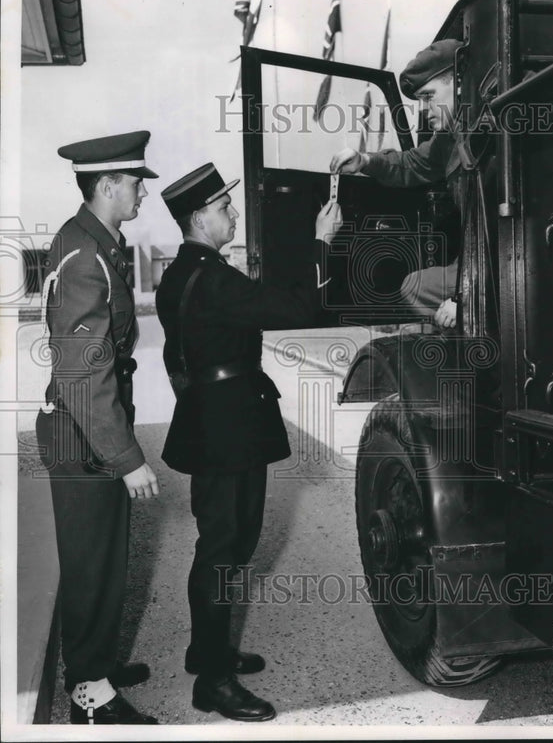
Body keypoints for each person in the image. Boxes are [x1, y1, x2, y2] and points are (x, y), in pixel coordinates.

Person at [156, 162, 341, 722]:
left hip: (215, 421)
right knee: (226, 548)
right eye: (224, 209)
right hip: (229, 429)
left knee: (222, 544)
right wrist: (319, 245)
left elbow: (177, 357)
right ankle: (212, 682)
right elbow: (294, 309)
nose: (233, 214)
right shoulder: (213, 278)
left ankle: (204, 651)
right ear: (198, 218)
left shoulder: (184, 273)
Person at [35, 131, 160, 725]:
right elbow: (85, 375)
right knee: (92, 565)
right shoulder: (87, 255)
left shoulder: (94, 241)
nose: (141, 194)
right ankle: (89, 691)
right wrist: (128, 457)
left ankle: (94, 664)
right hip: (82, 430)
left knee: (103, 559)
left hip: (85, 425)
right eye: (136, 184)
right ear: (108, 185)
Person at [330, 39, 464, 330]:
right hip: (473, 258)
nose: (424, 109)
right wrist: (365, 160)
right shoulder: (450, 137)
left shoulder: (497, 130)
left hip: (500, 261)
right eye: (420, 101)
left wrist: (463, 295)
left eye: (429, 96)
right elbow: (414, 163)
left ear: (459, 84)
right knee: (415, 287)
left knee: (420, 293)